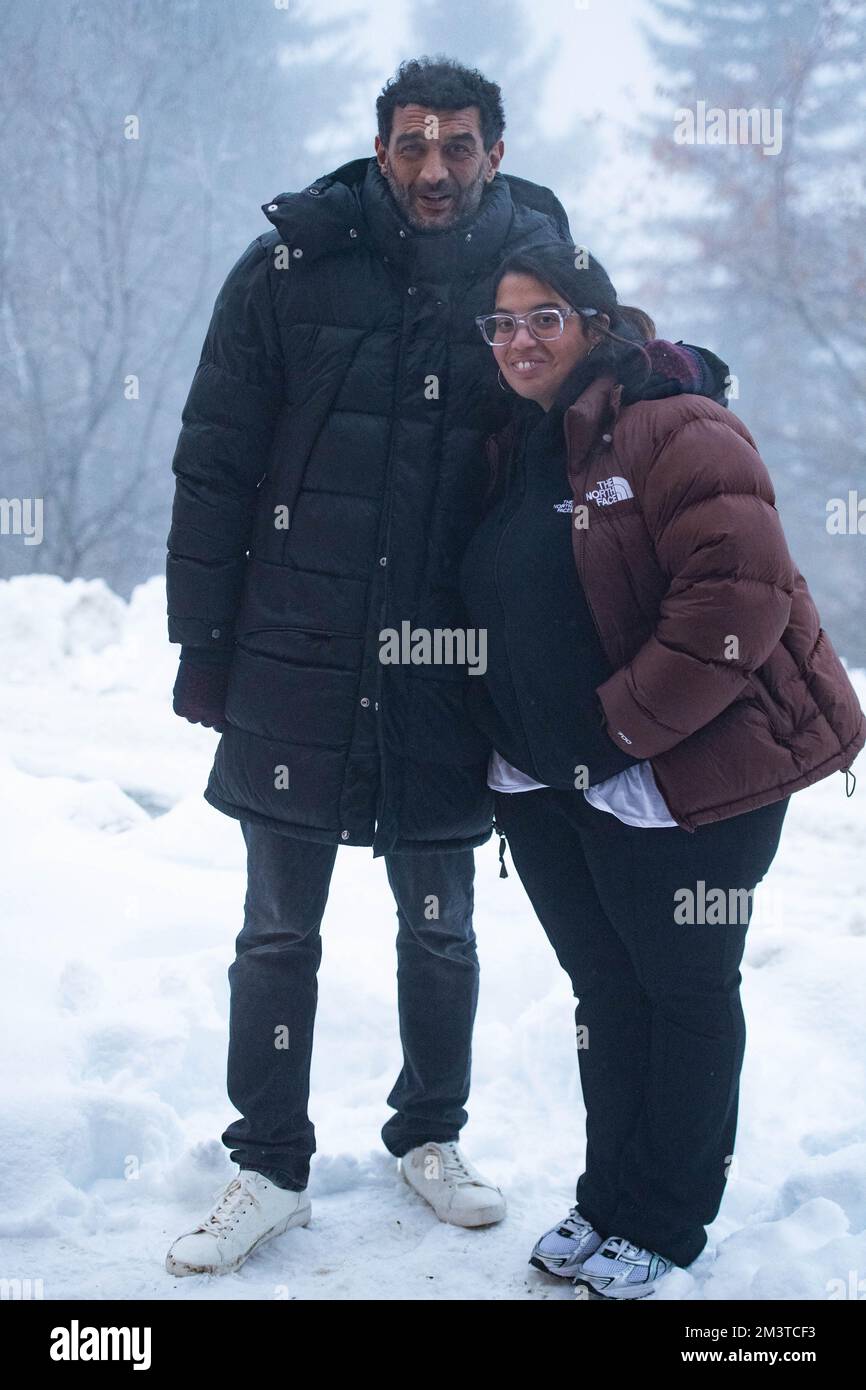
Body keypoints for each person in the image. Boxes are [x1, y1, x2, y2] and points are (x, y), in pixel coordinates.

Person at [163, 56, 727, 1280]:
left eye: (457, 144)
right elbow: (212, 458)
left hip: (452, 660)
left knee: (441, 923)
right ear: (380, 151)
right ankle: (266, 1162)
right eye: (411, 143)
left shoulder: (529, 277)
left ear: (494, 149)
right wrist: (203, 643)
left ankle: (430, 1133)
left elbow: (595, 407)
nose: (433, 167)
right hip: (294, 647)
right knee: (276, 927)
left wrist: (676, 378)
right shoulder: (289, 267)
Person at [458, 241, 866, 1298]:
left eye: (542, 316)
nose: (518, 340)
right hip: (551, 785)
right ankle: (607, 1198)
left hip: (688, 781)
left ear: (596, 323)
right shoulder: (517, 445)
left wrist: (615, 733)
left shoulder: (673, 425)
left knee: (682, 989)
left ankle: (668, 1219)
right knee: (604, 988)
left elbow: (738, 596)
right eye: (500, 324)